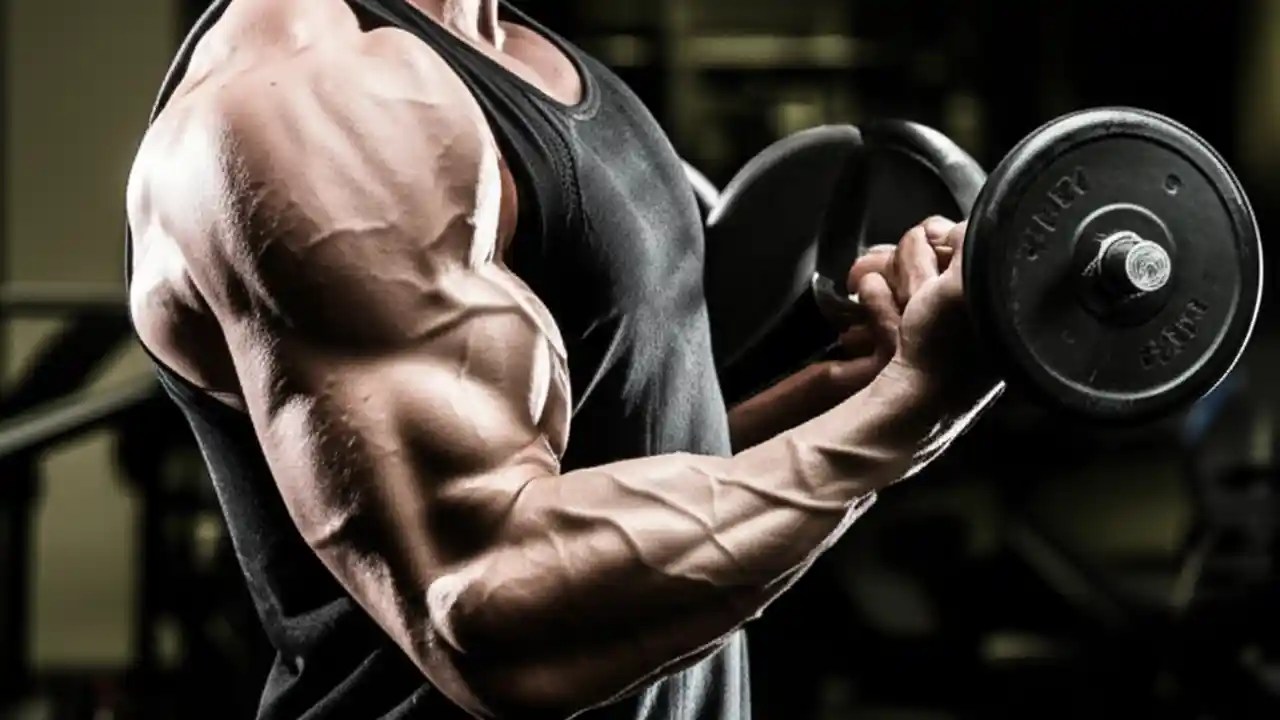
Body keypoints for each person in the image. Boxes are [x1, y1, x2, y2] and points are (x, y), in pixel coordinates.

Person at [124, 0, 995, 717]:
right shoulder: (309, 102)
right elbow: (488, 602)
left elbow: (618, 461)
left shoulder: (525, 55)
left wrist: (858, 388)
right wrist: (908, 412)